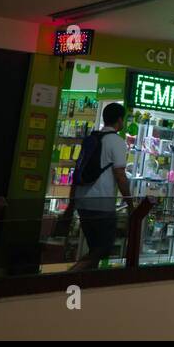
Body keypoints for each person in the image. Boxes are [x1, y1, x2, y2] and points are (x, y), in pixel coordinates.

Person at [69, 102, 133, 272]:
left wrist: (71, 204)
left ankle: (85, 283)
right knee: (102, 249)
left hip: (82, 202)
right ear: (120, 120)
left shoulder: (92, 139)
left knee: (94, 248)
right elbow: (120, 175)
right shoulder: (117, 142)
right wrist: (130, 203)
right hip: (102, 204)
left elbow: (77, 172)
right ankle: (67, 278)